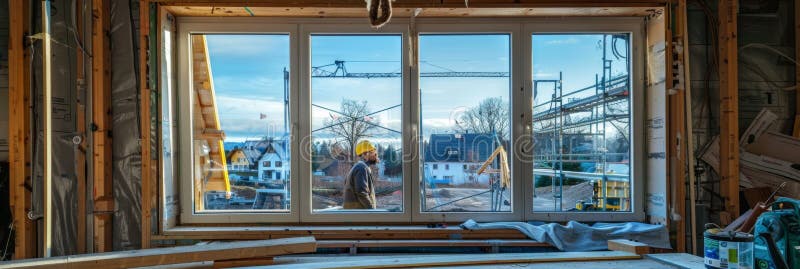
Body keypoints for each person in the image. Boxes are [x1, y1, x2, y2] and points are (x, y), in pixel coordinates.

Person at [343, 140, 380, 209]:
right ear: (365, 154)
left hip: (357, 212)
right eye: (372, 152)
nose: (375, 154)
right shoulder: (361, 168)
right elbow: (361, 192)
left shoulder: (360, 167)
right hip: (358, 213)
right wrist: (372, 210)